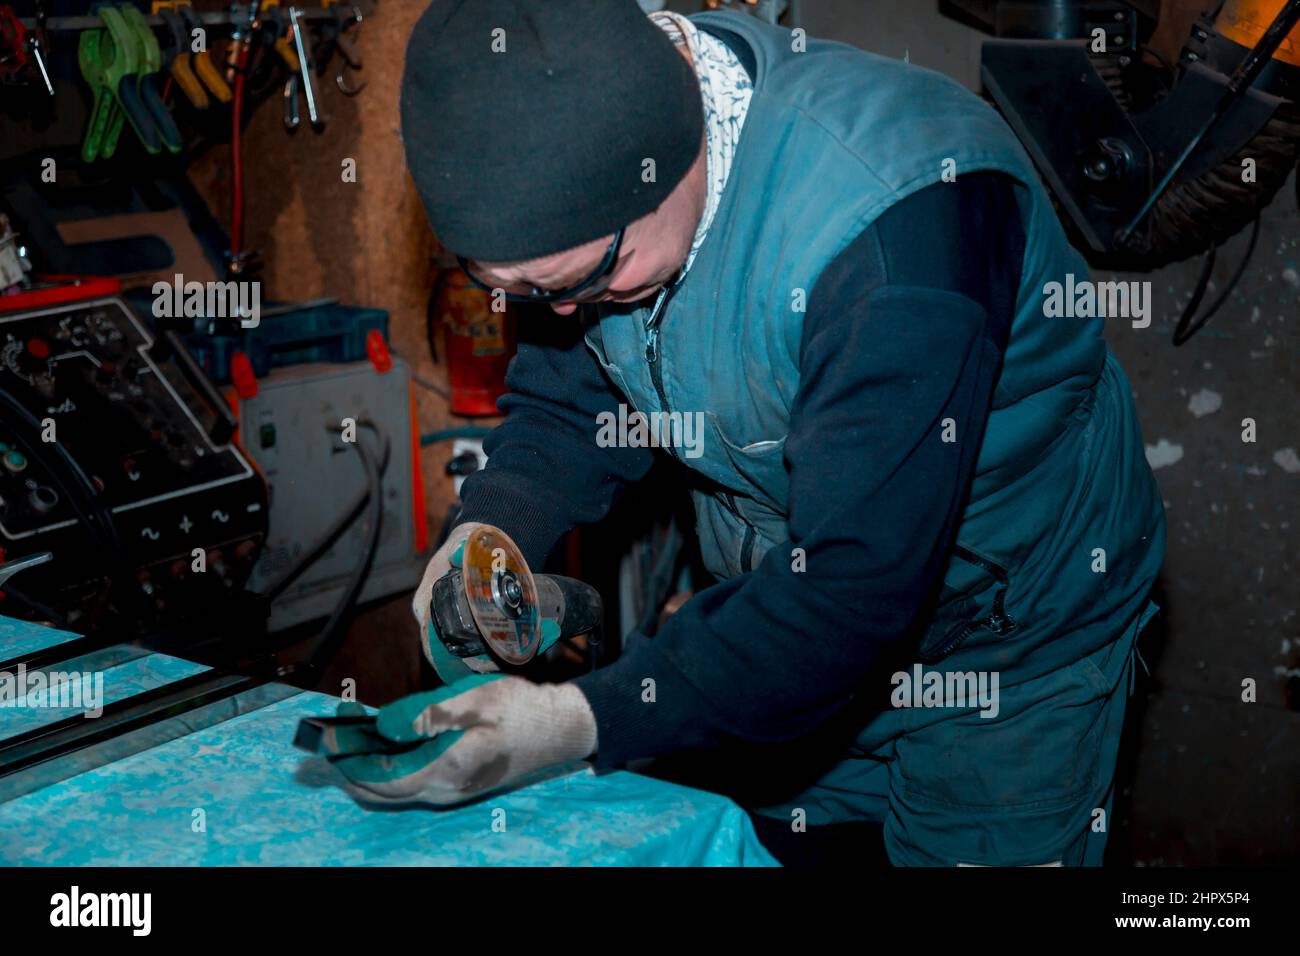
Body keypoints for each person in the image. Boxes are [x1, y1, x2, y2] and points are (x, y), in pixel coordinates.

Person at [329, 0, 1166, 867]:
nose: (566, 313)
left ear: (671, 159)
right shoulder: (599, 166)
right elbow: (580, 400)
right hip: (786, 629)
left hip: (1010, 653)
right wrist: (490, 530)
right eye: (531, 292)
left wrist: (574, 720)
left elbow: (854, 586)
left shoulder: (903, 226)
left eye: (588, 279)